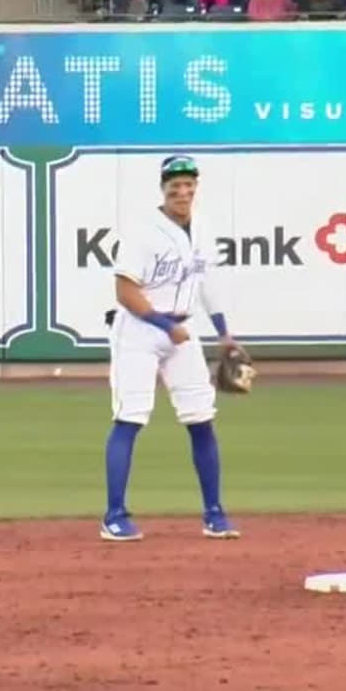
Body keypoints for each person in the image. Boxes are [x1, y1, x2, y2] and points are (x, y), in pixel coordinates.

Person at [100, 156, 239, 542]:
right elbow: (125, 292)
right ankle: (114, 515)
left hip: (183, 330)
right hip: (140, 332)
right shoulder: (143, 231)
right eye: (174, 185)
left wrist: (224, 333)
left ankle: (214, 513)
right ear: (163, 189)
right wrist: (164, 324)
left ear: (196, 187)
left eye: (188, 184)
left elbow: (205, 282)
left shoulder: (203, 228)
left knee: (201, 417)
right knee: (130, 416)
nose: (182, 192)